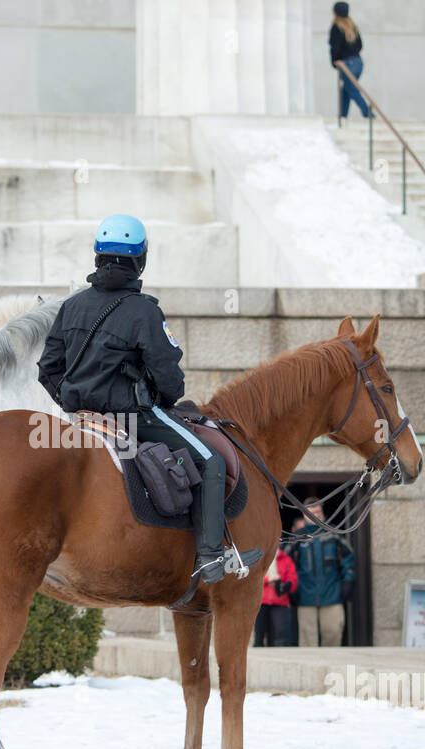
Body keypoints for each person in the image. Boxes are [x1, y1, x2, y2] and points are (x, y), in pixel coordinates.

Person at [37, 214, 260, 585]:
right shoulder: (144, 311)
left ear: (97, 256)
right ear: (139, 259)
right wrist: (160, 397)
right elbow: (170, 377)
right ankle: (208, 556)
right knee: (211, 461)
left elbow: (47, 368)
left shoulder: (71, 306)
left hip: (80, 419)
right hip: (134, 419)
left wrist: (74, 404)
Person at [291, 498, 355, 647]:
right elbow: (285, 563)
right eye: (311, 512)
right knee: (308, 641)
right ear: (303, 514)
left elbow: (348, 558)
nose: (316, 515)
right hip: (305, 595)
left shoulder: (334, 533)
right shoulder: (297, 537)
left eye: (318, 511)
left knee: (333, 633)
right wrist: (292, 586)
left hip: (332, 594)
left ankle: (331, 669)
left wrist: (348, 579)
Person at [330, 2, 370, 122]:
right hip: (358, 63)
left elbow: (335, 47)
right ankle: (343, 116)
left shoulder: (336, 27)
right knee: (346, 89)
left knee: (350, 88)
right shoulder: (353, 26)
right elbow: (360, 45)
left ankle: (367, 112)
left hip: (346, 64)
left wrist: (335, 61)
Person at [254, 546, 298, 647]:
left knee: (280, 633)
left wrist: (287, 585)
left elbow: (293, 580)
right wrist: (267, 580)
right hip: (261, 600)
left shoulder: (286, 559)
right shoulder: (258, 558)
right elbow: (252, 579)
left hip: (280, 601)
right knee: (259, 634)